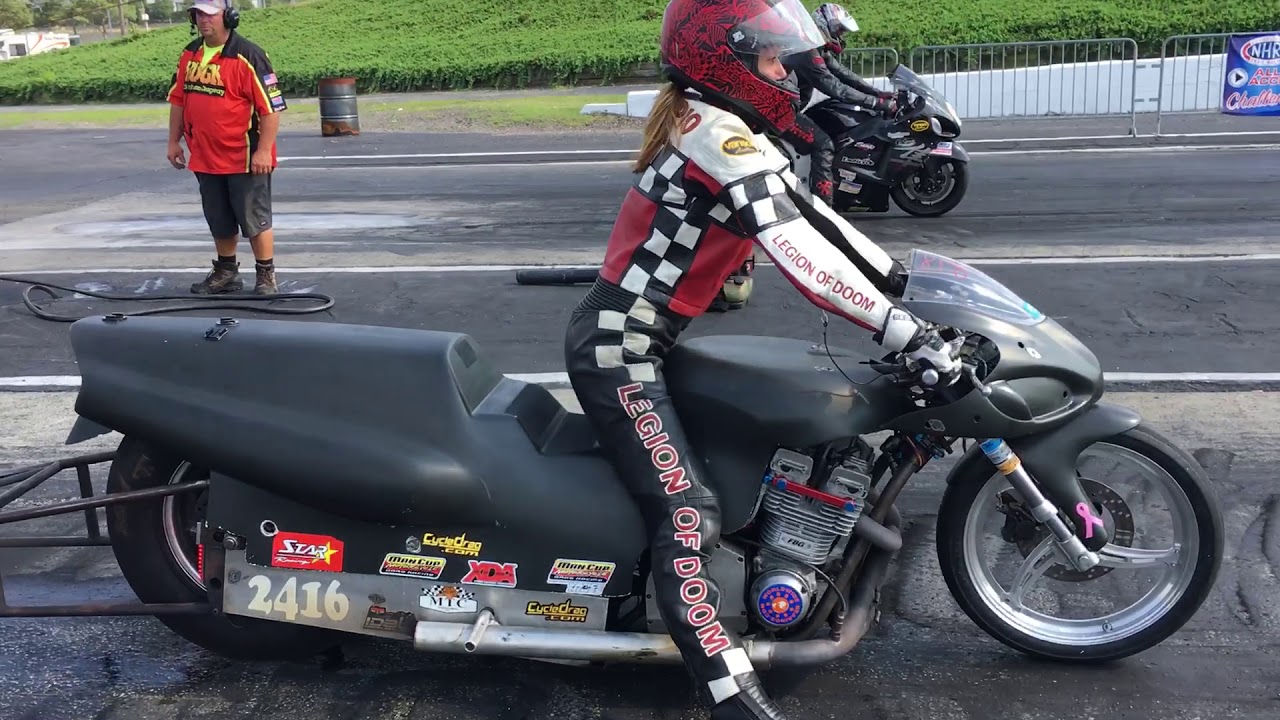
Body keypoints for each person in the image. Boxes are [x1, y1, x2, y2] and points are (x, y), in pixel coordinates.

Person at [562, 1, 959, 718]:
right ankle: (728, 695)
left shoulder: (722, 122)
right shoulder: (718, 135)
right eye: (774, 59)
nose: (786, 72)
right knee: (688, 514)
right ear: (726, 59)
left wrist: (904, 284)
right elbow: (800, 256)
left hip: (644, 334)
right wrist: (902, 331)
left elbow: (817, 218)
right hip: (619, 348)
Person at [166, 0, 287, 295]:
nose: (203, 20)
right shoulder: (190, 54)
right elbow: (179, 100)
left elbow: (272, 108)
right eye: (198, 14)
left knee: (254, 217)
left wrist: (264, 150)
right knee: (218, 218)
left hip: (245, 156)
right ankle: (226, 271)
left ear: (228, 17)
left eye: (210, 14)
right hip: (205, 156)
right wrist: (173, 141)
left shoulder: (249, 55)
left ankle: (265, 274)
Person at [776, 3, 896, 203]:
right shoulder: (807, 51)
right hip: (779, 111)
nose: (841, 36)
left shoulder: (815, 48)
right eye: (839, 30)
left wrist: (879, 93)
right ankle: (824, 207)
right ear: (824, 25)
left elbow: (844, 75)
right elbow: (835, 87)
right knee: (823, 145)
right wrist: (876, 103)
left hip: (785, 106)